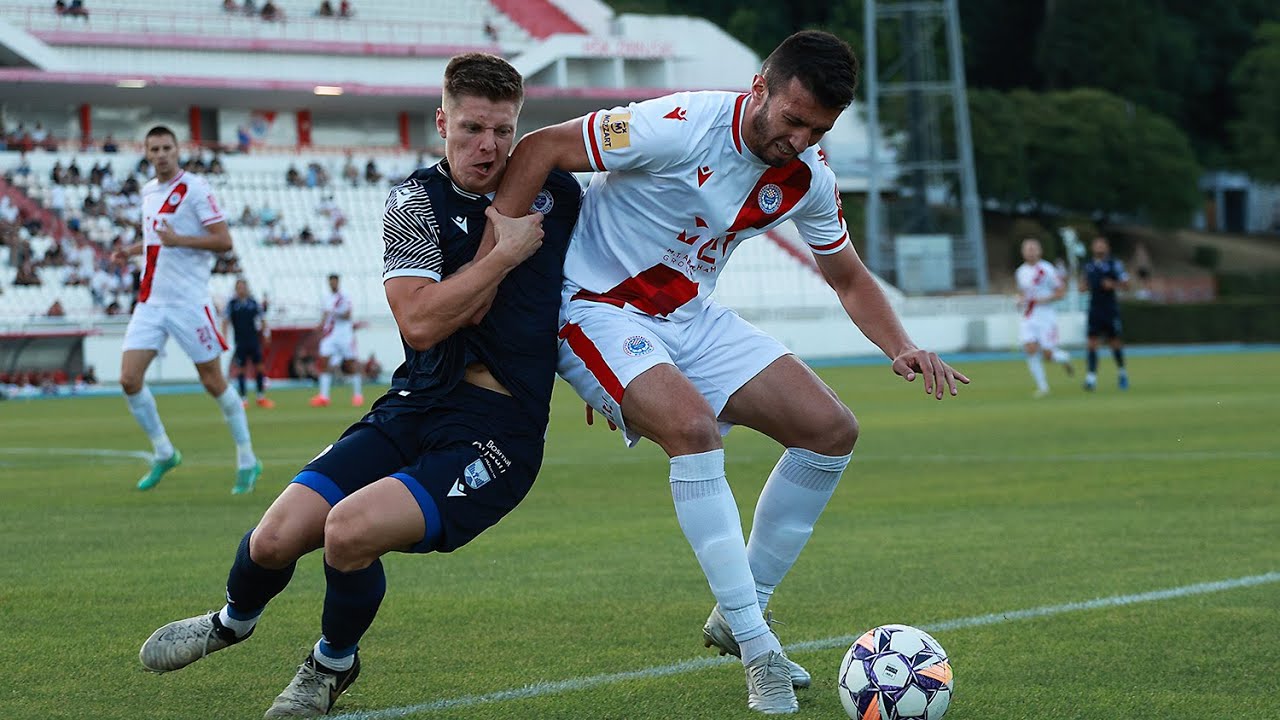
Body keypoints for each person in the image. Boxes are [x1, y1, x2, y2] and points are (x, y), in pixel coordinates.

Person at [484, 30, 967, 714]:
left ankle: (739, 615)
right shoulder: (677, 124)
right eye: (794, 120)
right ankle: (759, 647)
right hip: (595, 309)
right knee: (693, 430)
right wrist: (495, 255)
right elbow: (541, 147)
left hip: (688, 315)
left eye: (818, 129)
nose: (801, 139)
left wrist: (901, 345)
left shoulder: (808, 178)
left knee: (830, 429)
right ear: (759, 90)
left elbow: (849, 277)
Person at [138, 52, 580, 718]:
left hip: (497, 433)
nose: (488, 146)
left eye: (502, 130)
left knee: (347, 532)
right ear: (442, 123)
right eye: (471, 129)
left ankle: (329, 666)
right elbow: (421, 322)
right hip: (414, 405)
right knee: (273, 539)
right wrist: (507, 254)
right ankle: (232, 620)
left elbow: (602, 291)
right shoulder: (413, 201)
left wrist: (613, 381)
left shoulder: (560, 194)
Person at [112, 125, 261, 494]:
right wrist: (129, 252)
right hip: (151, 302)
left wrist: (181, 240)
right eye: (154, 148)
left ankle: (247, 457)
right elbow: (154, 240)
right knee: (129, 379)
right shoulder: (148, 192)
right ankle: (164, 452)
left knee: (212, 382)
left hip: (189, 303)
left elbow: (224, 241)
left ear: (177, 150)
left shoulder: (196, 189)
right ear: (146, 153)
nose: (161, 154)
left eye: (166, 147)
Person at [1015, 238, 1074, 398]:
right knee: (1030, 349)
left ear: (1040, 251)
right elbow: (1022, 293)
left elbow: (1061, 292)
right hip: (1029, 315)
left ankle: (1064, 358)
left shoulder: (1047, 269)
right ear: (1023, 252)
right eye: (1027, 249)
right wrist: (1019, 300)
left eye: (1033, 248)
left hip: (1046, 316)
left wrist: (1044, 299)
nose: (1030, 252)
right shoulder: (1021, 271)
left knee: (1048, 355)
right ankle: (1043, 387)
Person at [1081, 235, 1130, 391]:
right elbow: (1084, 284)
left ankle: (1122, 373)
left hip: (1110, 309)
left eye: (1102, 245)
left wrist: (1113, 284)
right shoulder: (1088, 266)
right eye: (1097, 245)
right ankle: (1091, 378)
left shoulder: (1114, 264)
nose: (1099, 248)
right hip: (1094, 309)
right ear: (1092, 248)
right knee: (1091, 343)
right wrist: (1083, 287)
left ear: (1107, 248)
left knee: (1114, 342)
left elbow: (1126, 284)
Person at [309, 273, 363, 407]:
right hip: (330, 335)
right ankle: (324, 396)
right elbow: (325, 315)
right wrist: (320, 326)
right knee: (324, 362)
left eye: (334, 281)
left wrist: (334, 312)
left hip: (344, 334)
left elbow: (348, 315)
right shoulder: (326, 298)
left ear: (338, 282)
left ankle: (357, 395)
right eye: (330, 282)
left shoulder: (344, 297)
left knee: (350, 364)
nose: (332, 284)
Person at [223, 278, 275, 410]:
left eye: (243, 287)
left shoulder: (253, 303)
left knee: (259, 368)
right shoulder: (232, 304)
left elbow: (262, 318)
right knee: (241, 370)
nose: (241, 289)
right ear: (236, 289)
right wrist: (224, 337)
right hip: (240, 341)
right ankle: (243, 399)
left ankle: (260, 396)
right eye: (239, 287)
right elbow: (225, 320)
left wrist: (266, 334)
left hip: (253, 340)